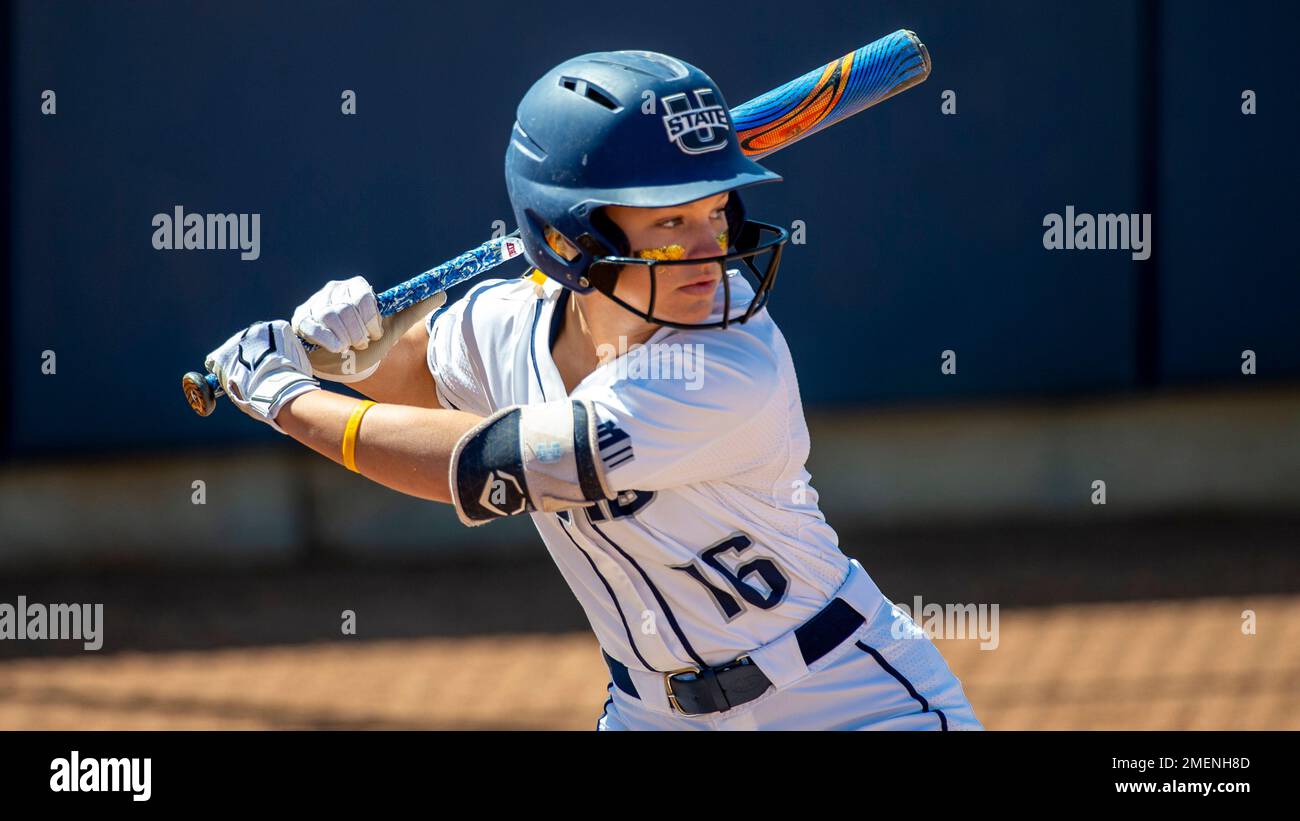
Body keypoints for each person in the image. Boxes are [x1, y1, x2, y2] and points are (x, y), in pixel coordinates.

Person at [204, 49, 982, 730]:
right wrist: (347, 354)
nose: (712, 251)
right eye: (671, 222)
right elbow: (410, 378)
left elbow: (483, 467)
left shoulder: (731, 361)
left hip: (844, 697)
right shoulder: (504, 323)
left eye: (717, 211)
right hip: (650, 710)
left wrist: (284, 397)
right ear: (572, 239)